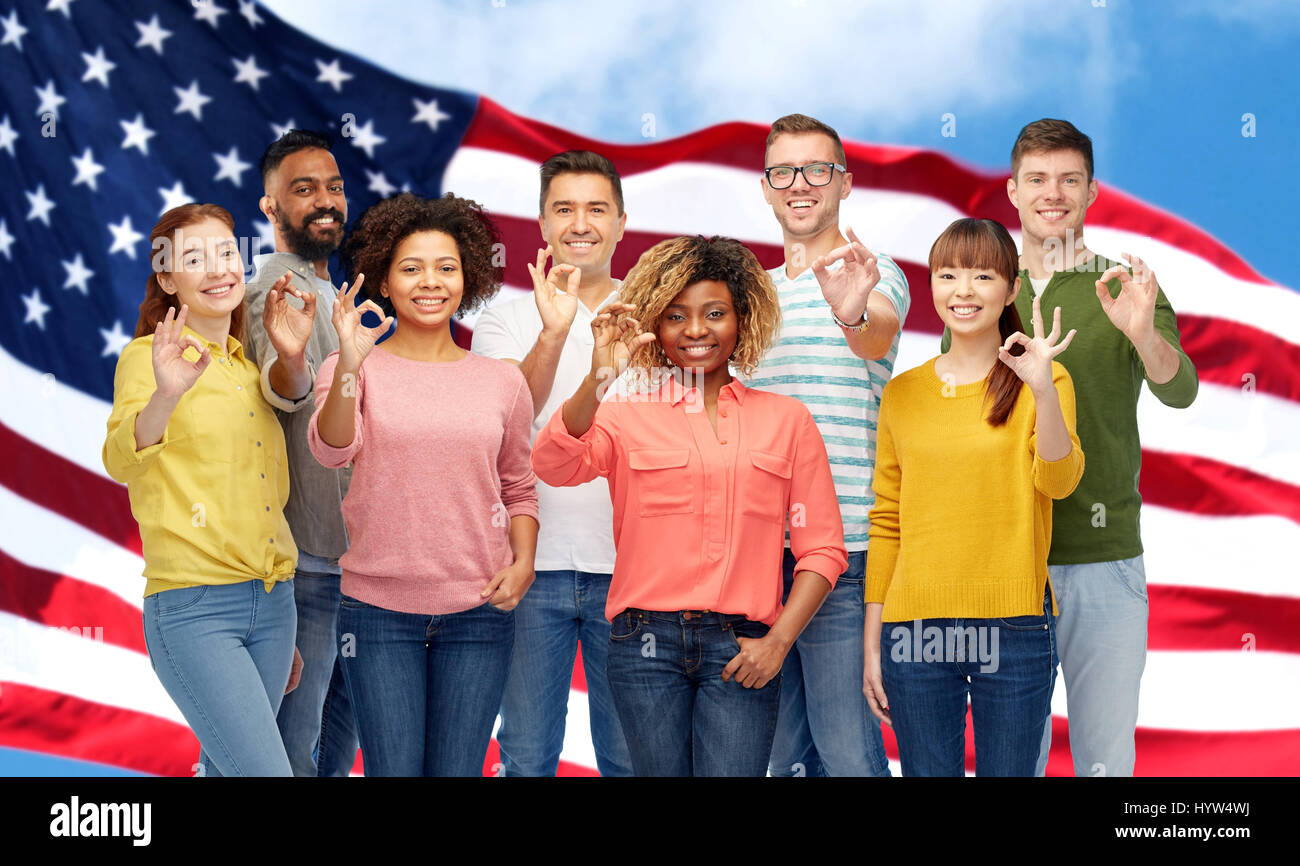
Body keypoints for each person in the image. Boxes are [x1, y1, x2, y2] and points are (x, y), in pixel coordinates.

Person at [531, 235, 847, 777]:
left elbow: (823, 550)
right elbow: (554, 464)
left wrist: (778, 642)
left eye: (714, 313)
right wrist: (599, 377)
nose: (696, 330)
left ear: (741, 319)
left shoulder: (787, 419)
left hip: (742, 647)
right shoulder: (626, 412)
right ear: (656, 325)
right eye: (676, 316)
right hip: (643, 645)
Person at [939, 119, 1198, 776]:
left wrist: (1142, 335)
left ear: (1091, 193)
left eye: (1068, 181)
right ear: (1013, 191)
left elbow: (1180, 390)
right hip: (1004, 567)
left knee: (1105, 763)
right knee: (1007, 761)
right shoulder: (981, 292)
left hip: (1103, 561)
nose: (1052, 194)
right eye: (1037, 180)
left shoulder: (1127, 287)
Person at [307, 193, 539, 777]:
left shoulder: (501, 382)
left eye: (446, 267)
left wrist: (525, 561)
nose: (429, 282)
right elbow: (333, 449)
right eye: (411, 268)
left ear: (468, 278)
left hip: (479, 608)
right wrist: (352, 368)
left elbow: (518, 485)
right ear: (384, 279)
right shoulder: (348, 367)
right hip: (377, 611)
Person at [865, 217, 1085, 776]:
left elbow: (1058, 482)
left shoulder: (1047, 381)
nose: (963, 291)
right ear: (933, 285)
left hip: (1014, 626)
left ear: (1011, 290)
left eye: (983, 275)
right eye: (948, 274)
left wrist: (1040, 385)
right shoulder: (903, 394)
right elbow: (887, 520)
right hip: (914, 630)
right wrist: (872, 642)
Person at [103, 203, 305, 777]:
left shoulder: (247, 372)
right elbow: (122, 459)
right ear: (167, 279)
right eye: (194, 258)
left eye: (225, 253)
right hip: (194, 608)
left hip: (272, 604)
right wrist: (165, 395)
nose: (218, 270)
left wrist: (272, 617)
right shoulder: (147, 359)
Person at [746, 113, 907, 777]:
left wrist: (850, 309)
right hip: (757, 555)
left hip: (844, 550)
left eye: (817, 169)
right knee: (775, 754)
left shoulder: (876, 274)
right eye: (784, 171)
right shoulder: (750, 293)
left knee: (846, 750)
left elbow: (876, 332)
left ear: (843, 182)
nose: (800, 184)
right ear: (766, 187)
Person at [471, 150, 632, 777]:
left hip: (631, 571)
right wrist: (556, 331)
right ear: (541, 222)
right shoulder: (502, 320)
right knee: (528, 754)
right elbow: (509, 416)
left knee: (629, 754)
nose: (580, 223)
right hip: (527, 568)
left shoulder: (659, 318)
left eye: (597, 208)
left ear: (621, 222)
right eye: (564, 208)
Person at [241, 129, 359, 778]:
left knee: (330, 756)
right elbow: (280, 391)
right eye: (304, 188)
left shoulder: (332, 298)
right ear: (271, 207)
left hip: (356, 567)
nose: (325, 200)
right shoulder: (275, 291)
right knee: (288, 753)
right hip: (307, 565)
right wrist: (290, 360)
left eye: (334, 187)